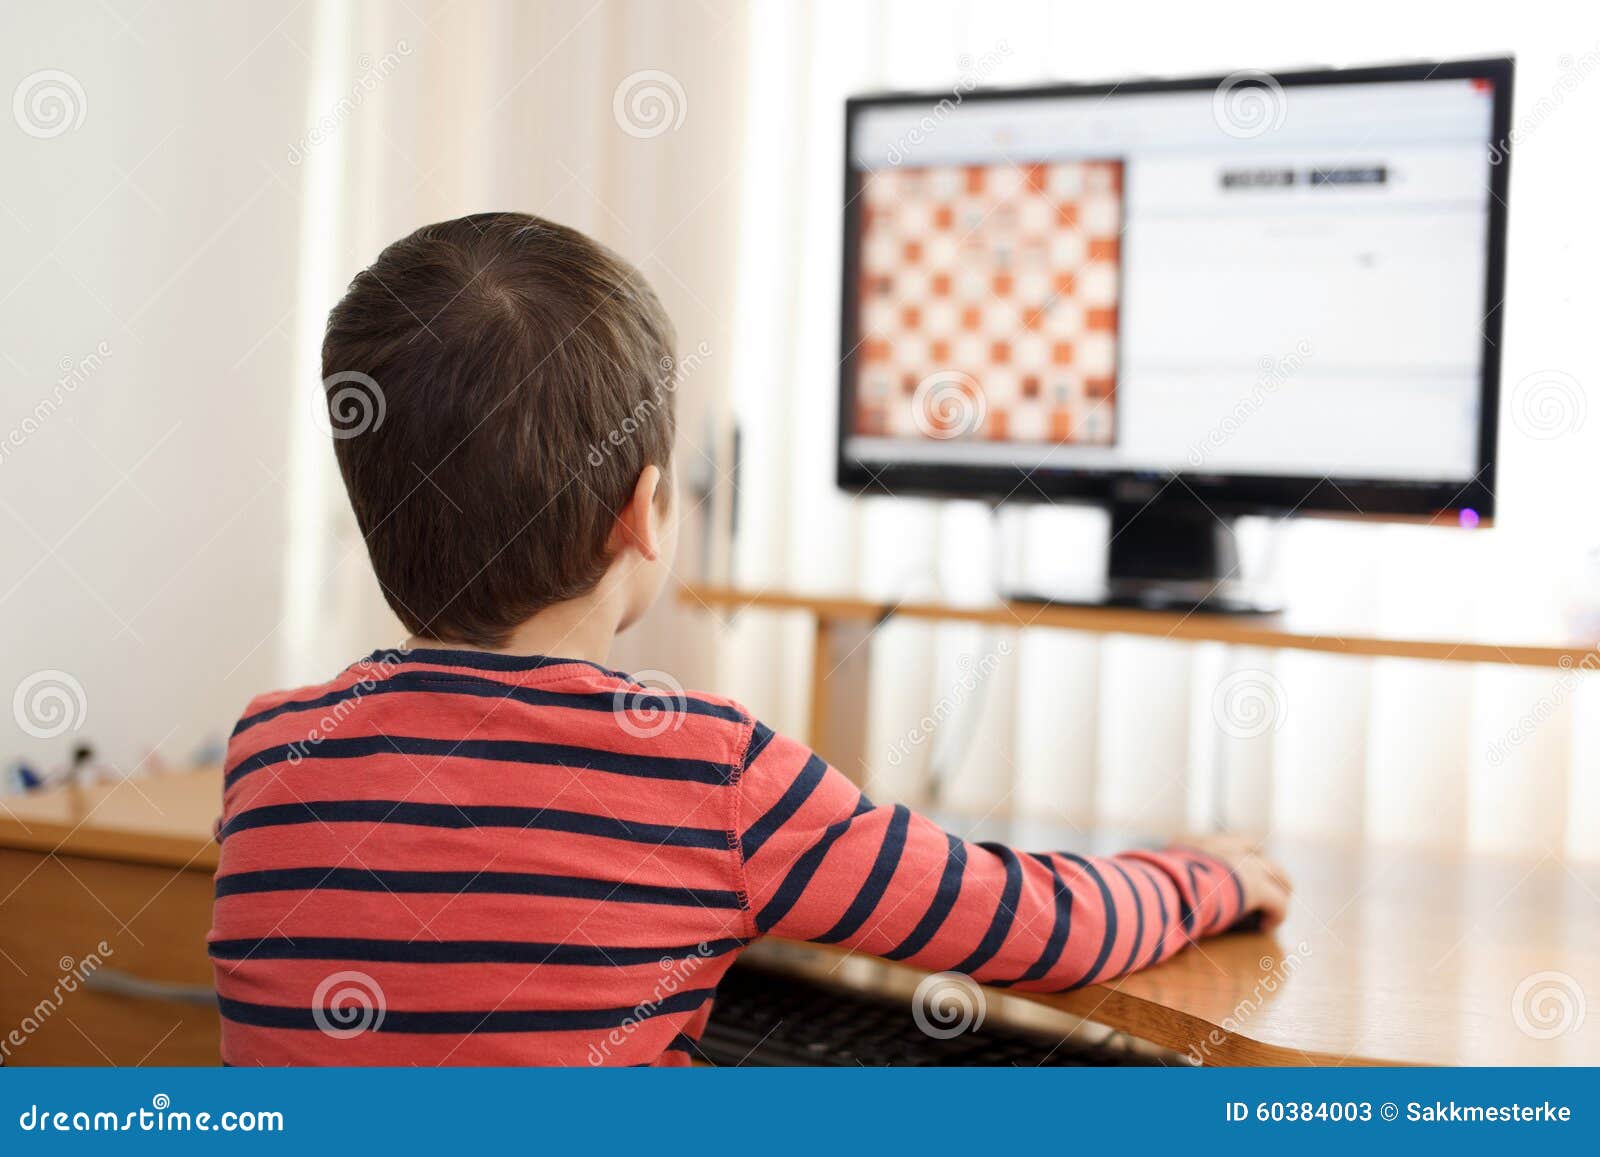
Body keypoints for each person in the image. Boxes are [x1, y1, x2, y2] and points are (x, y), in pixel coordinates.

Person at [209, 212, 1291, 1066]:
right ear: (644, 513)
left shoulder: (268, 752)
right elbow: (1042, 926)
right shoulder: (703, 766)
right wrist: (1205, 874)